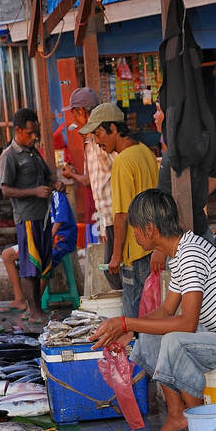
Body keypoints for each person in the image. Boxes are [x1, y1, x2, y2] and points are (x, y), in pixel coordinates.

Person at [92, 188, 216, 431]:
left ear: (150, 229)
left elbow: (186, 324)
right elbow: (165, 310)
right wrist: (131, 330)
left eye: (136, 229)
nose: (134, 235)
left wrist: (126, 321)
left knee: (175, 339)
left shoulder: (191, 254)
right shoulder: (181, 252)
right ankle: (177, 417)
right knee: (152, 336)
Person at [79, 107, 158, 318]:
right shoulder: (146, 152)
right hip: (152, 247)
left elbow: (121, 215)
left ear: (113, 128)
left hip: (135, 248)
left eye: (98, 134)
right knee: (151, 312)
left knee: (132, 318)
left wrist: (116, 256)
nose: (96, 142)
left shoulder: (122, 161)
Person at [152, 98, 216, 276]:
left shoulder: (178, 152)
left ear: (170, 117)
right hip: (196, 237)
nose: (155, 116)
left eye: (158, 111)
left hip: (183, 243)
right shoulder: (182, 148)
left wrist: (161, 248)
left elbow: (167, 205)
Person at [0, 108, 57, 320]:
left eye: (36, 133)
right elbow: (5, 190)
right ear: (19, 130)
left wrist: (55, 183)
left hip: (43, 217)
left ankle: (36, 309)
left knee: (43, 265)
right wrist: (34, 191)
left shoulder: (34, 153)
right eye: (30, 133)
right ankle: (33, 311)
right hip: (27, 218)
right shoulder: (10, 156)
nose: (34, 137)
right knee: (30, 265)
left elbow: (47, 177)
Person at [59, 93, 121, 260]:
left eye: (74, 113)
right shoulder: (90, 141)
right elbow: (90, 180)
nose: (74, 119)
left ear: (81, 111)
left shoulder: (101, 139)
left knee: (117, 268)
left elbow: (120, 171)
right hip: (106, 218)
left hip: (115, 216)